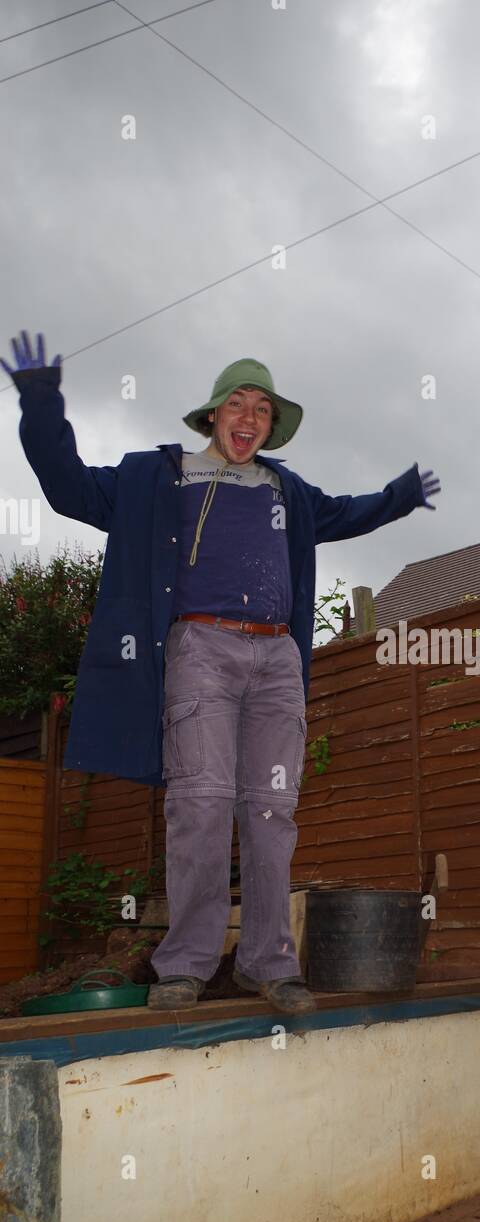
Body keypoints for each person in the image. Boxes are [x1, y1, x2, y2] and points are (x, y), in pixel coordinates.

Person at [2, 331, 440, 1013]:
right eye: (238, 404)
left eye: (263, 410)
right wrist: (40, 402)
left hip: (276, 661)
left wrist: (399, 496)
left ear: (270, 427)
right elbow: (67, 487)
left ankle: (267, 963)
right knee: (200, 806)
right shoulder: (159, 476)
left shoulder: (286, 491)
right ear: (213, 416)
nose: (249, 418)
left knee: (271, 812)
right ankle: (184, 964)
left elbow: (349, 513)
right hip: (199, 651)